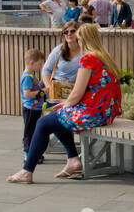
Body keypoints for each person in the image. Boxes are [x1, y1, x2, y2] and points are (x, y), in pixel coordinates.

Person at [8, 24, 122, 184]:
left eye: (80, 40)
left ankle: (27, 170)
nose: (79, 43)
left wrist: (66, 104)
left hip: (93, 113)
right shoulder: (107, 57)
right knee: (56, 117)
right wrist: (66, 105)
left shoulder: (88, 58)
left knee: (43, 122)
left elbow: (77, 92)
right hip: (107, 113)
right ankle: (73, 159)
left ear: (84, 40)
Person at [42, 24, 83, 100]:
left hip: (75, 91)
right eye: (66, 32)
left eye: (73, 31)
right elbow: (46, 70)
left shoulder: (84, 51)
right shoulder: (58, 50)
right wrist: (49, 86)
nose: (69, 34)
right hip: (57, 90)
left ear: (79, 33)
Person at [20, 48, 47, 158]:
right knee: (30, 132)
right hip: (31, 109)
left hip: (35, 108)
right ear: (32, 63)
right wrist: (42, 92)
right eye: (40, 64)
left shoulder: (31, 75)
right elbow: (27, 94)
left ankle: (34, 153)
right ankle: (28, 154)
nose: (41, 67)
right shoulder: (27, 77)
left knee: (35, 131)